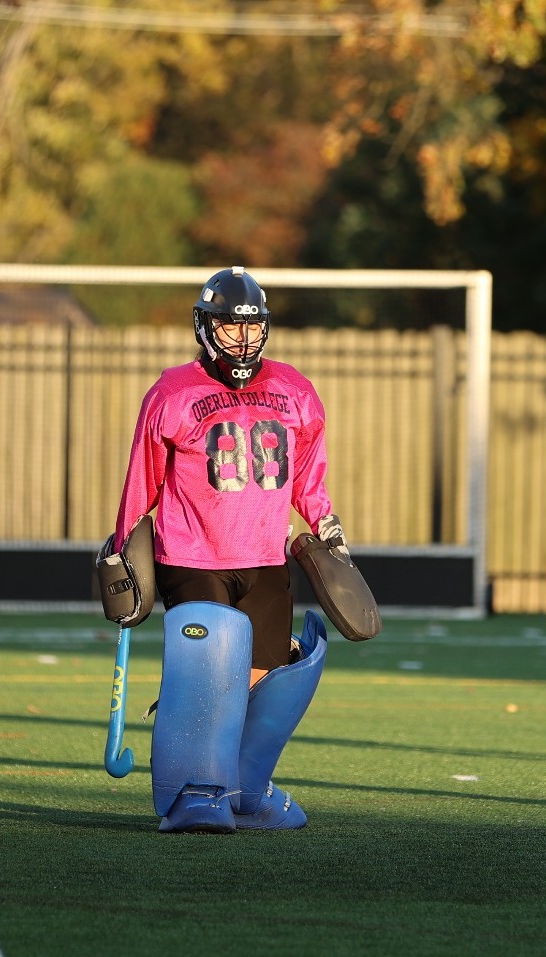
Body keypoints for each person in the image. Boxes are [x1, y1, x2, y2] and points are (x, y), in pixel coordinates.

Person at [111, 266, 344, 833]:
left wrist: (325, 521)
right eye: (229, 327)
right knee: (207, 671)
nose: (241, 339)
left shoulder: (296, 389)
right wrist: (122, 544)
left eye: (251, 327)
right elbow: (142, 477)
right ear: (204, 326)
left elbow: (307, 474)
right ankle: (195, 790)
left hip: (266, 557)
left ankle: (242, 789)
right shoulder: (172, 391)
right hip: (193, 555)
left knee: (264, 678)